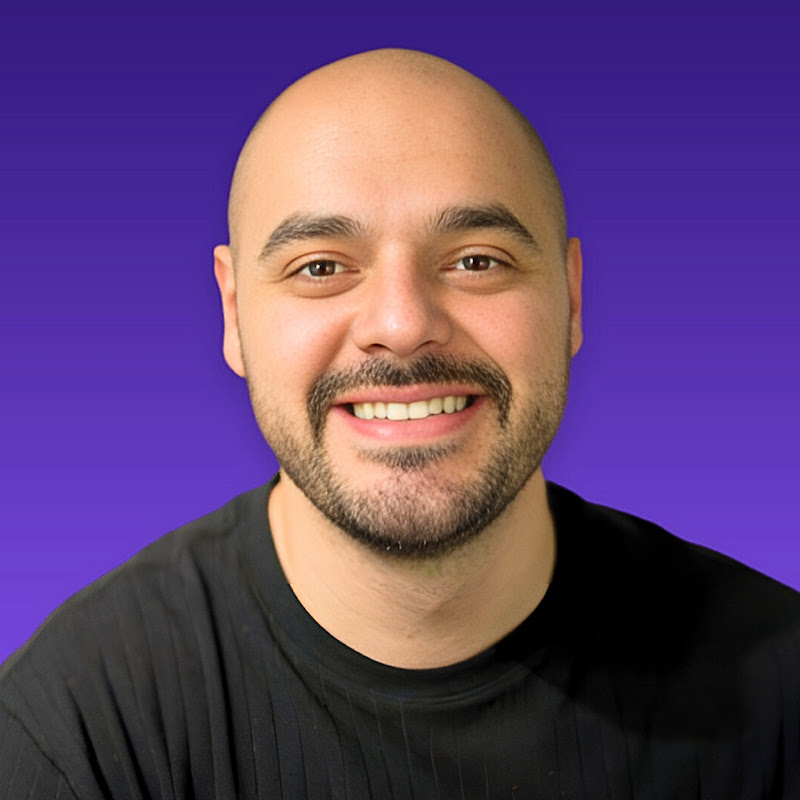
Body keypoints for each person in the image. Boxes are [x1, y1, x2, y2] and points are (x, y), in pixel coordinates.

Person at [1, 48, 798, 800]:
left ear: (571, 297)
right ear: (235, 316)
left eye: (476, 260)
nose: (402, 324)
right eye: (320, 267)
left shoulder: (781, 690)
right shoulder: (74, 738)